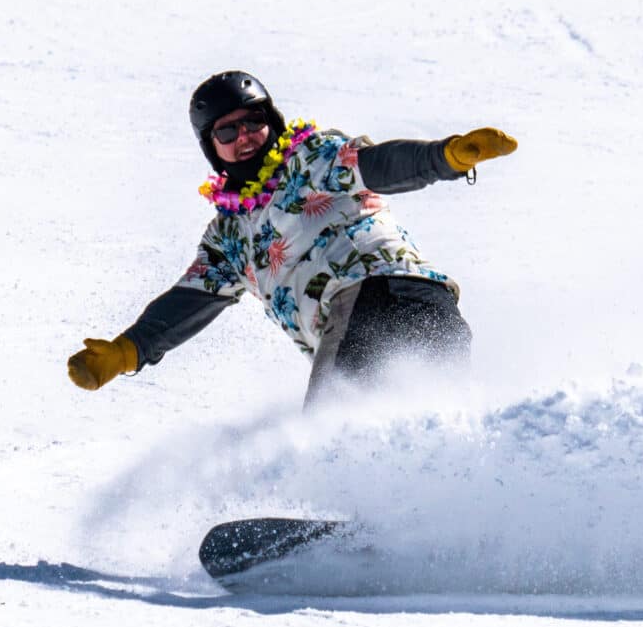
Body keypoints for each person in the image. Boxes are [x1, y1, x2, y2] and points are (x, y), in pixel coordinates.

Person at [67, 70, 517, 405]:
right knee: (422, 435)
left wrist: (446, 156)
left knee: (334, 443)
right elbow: (188, 300)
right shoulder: (229, 237)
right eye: (227, 130)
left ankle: (352, 528)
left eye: (253, 121)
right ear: (211, 146)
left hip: (373, 300)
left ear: (273, 119)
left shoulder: (312, 158)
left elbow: (379, 165)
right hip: (424, 309)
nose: (244, 136)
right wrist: (128, 349)